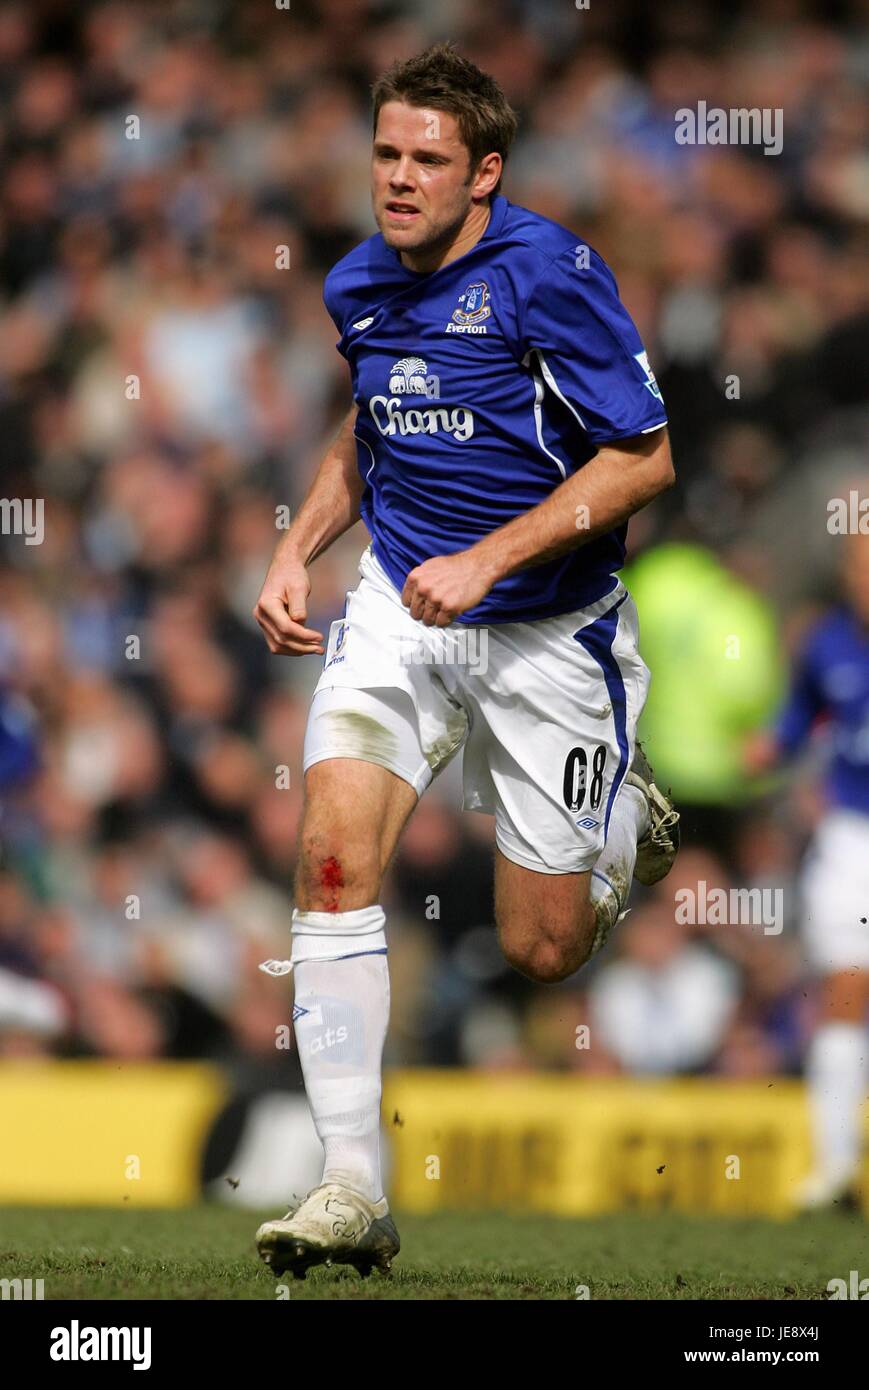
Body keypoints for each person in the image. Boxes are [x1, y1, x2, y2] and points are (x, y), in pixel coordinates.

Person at [252, 42, 679, 1279]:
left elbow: (644, 459)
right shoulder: (356, 284)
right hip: (397, 604)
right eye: (384, 152)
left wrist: (492, 560)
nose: (396, 178)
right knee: (331, 850)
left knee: (541, 947)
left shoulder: (548, 275)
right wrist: (299, 548)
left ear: (482, 172)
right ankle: (347, 1187)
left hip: (545, 628)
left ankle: (618, 826)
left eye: (425, 160)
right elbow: (369, 421)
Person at [746, 529, 869, 1211]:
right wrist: (771, 746)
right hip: (852, 834)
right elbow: (797, 717)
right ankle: (834, 1167)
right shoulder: (823, 641)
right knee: (845, 990)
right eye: (858, 567)